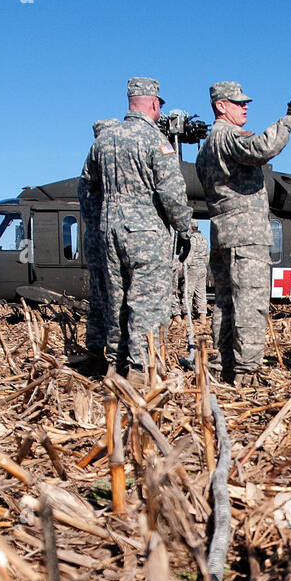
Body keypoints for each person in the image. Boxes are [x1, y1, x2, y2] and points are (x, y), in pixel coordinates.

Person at [196, 81, 291, 380]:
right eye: (238, 102)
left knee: (225, 304)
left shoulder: (207, 146)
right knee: (250, 302)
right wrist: (290, 118)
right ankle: (247, 373)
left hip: (223, 233)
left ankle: (223, 367)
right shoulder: (228, 135)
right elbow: (263, 148)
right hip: (245, 235)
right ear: (221, 106)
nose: (245, 106)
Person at [80, 77, 191, 382]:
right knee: (147, 302)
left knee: (115, 299)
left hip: (107, 232)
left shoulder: (103, 141)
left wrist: (98, 222)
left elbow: (86, 188)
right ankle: (141, 370)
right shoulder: (155, 140)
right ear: (154, 104)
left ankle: (116, 365)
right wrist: (184, 229)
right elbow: (171, 191)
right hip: (145, 234)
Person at [78, 118, 120, 363]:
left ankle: (95, 346)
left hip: (94, 236)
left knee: (98, 295)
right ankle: (115, 351)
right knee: (114, 296)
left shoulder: (88, 166)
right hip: (106, 235)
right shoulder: (104, 166)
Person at [177, 218, 210, 324]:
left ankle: (187, 317)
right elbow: (207, 256)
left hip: (192, 268)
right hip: (202, 268)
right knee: (201, 292)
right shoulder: (204, 239)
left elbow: (189, 253)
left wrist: (184, 264)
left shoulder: (192, 239)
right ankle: (203, 316)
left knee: (188, 292)